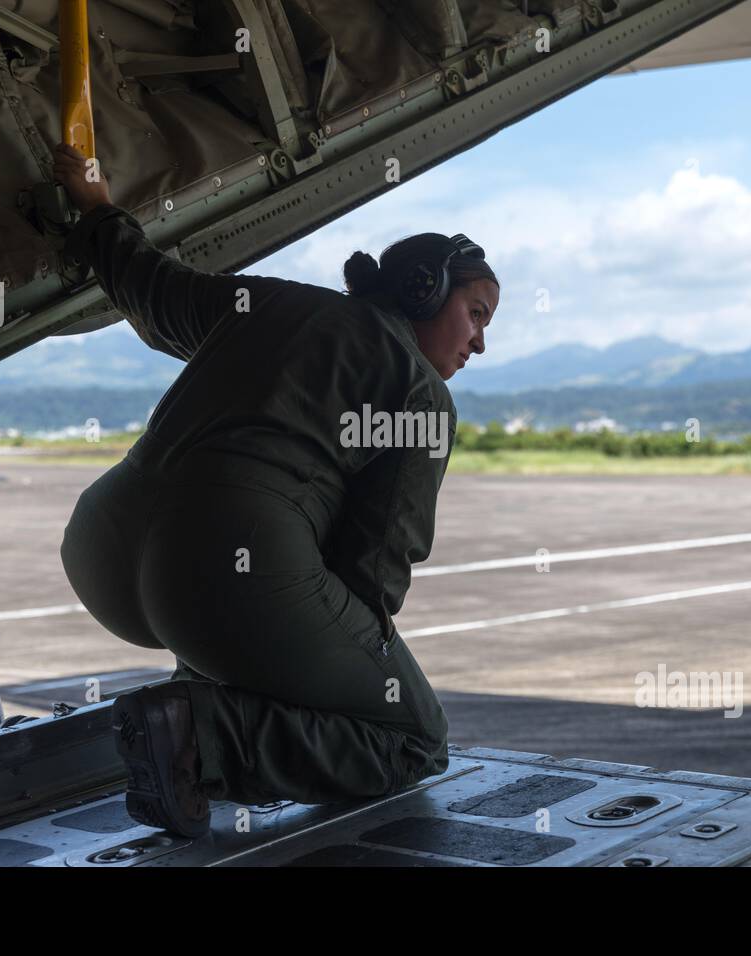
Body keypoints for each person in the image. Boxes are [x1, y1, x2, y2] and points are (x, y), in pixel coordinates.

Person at [52, 143, 499, 837]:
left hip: (101, 544)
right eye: (477, 313)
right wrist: (332, 667)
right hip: (215, 574)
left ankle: (190, 710)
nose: (479, 342)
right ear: (424, 289)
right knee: (414, 737)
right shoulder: (420, 393)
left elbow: (146, 286)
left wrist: (95, 207)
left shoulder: (262, 301)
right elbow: (377, 563)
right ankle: (200, 737)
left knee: (263, 605)